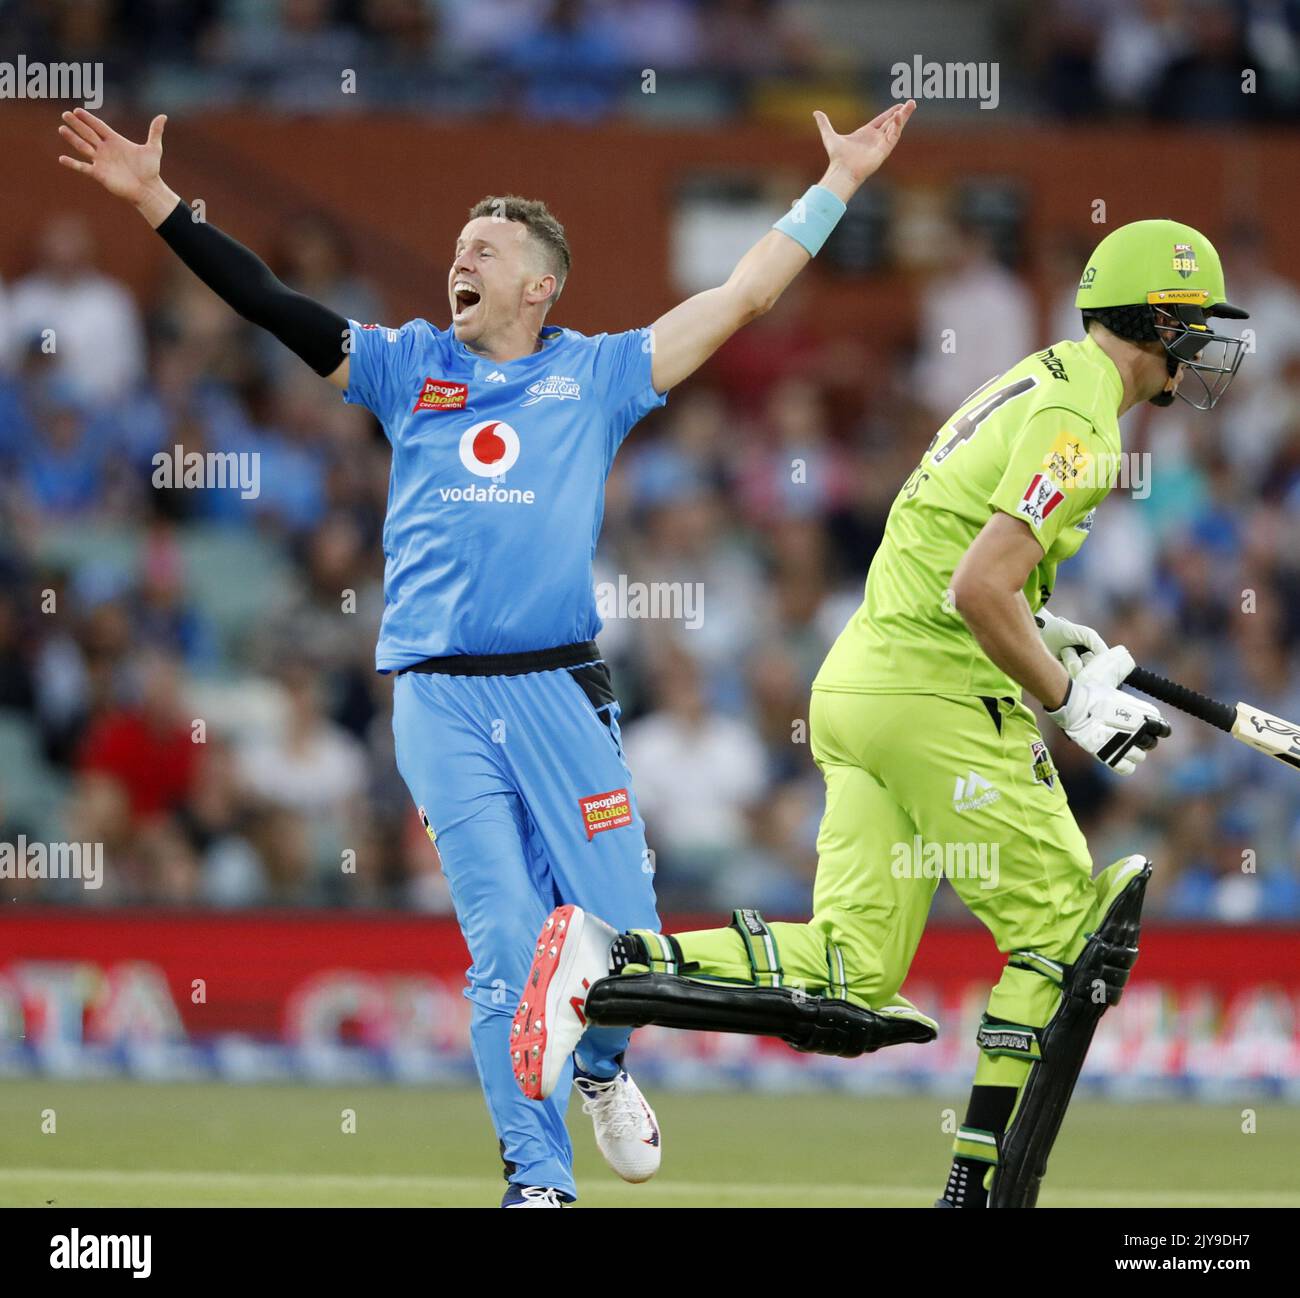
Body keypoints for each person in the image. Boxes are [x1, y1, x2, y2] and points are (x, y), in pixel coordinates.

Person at [56, 98, 915, 1206]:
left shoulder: (599, 374)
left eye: (486, 248)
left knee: (629, 940)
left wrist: (836, 184)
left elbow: (743, 293)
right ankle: (536, 1178)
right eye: (458, 244)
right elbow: (273, 304)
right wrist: (160, 205)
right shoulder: (410, 365)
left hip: (560, 688)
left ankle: (601, 1069)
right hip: (439, 699)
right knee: (506, 943)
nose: (459, 257)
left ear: (537, 286)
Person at [516, 218, 1251, 1209]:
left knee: (852, 970)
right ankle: (978, 1193)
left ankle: (606, 962)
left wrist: (1047, 626)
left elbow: (972, 559)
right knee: (1067, 929)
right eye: (1194, 325)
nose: (1204, 348)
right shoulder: (1084, 421)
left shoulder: (1048, 377)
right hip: (932, 694)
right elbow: (979, 588)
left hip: (862, 684)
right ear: (1153, 323)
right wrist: (1065, 692)